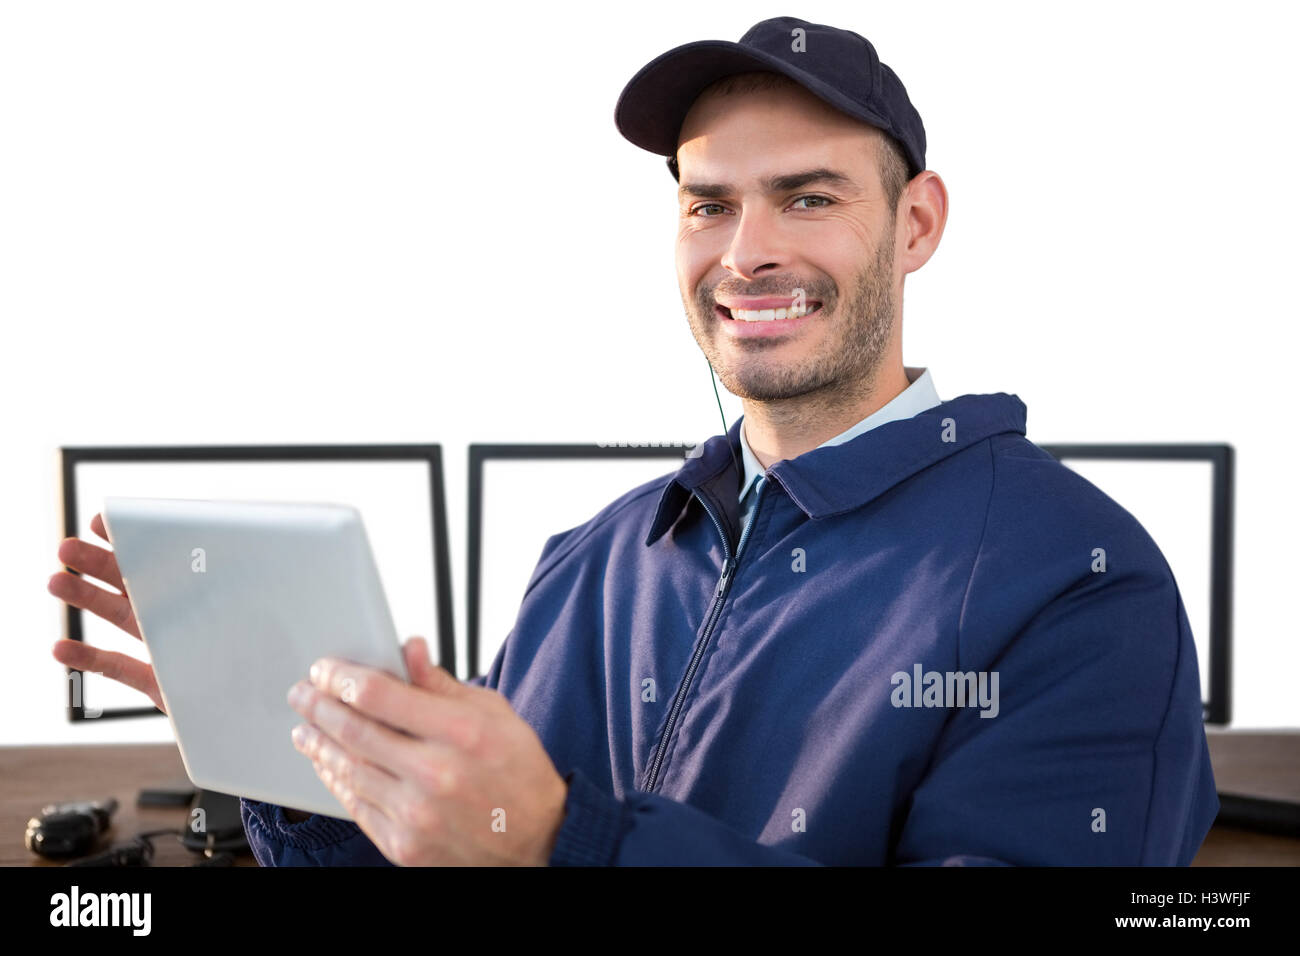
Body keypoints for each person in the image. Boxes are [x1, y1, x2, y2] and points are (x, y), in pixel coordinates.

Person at [49, 16, 1219, 866]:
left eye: (807, 198)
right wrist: (312, 772)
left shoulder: (1078, 586)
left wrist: (566, 840)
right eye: (708, 203)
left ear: (915, 224)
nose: (745, 250)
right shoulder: (593, 558)